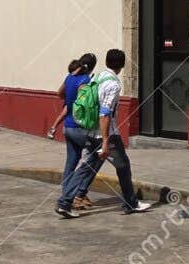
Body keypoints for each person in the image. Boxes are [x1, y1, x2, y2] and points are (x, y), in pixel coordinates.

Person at [56, 49, 153, 219]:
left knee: (87, 167)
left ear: (107, 62)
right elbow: (105, 113)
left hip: (89, 131)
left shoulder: (97, 77)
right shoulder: (113, 84)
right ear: (122, 65)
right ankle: (131, 203)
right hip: (106, 133)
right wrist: (107, 141)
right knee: (123, 166)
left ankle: (64, 202)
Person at [48, 53, 97, 209]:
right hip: (79, 127)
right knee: (96, 155)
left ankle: (67, 192)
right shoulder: (85, 81)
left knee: (70, 162)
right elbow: (86, 106)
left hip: (68, 126)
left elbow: (59, 94)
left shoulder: (69, 78)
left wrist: (69, 101)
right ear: (93, 67)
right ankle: (78, 194)